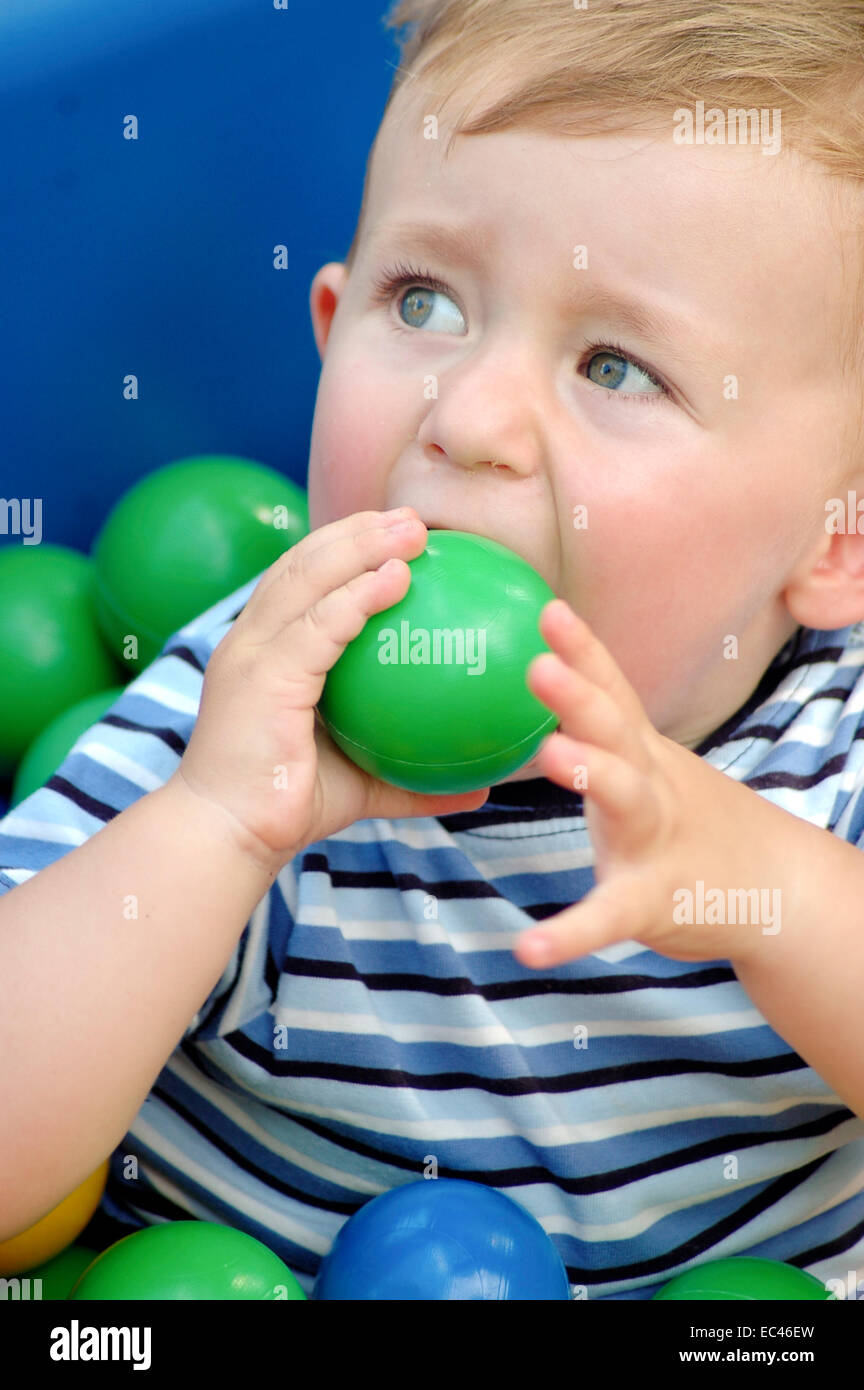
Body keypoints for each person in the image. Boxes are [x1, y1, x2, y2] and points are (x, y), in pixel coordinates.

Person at [2, 0, 864, 1300]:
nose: (468, 417)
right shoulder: (246, 712)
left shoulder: (836, 759)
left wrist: (770, 894)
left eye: (618, 367)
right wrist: (215, 830)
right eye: (425, 301)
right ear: (328, 324)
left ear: (838, 537)